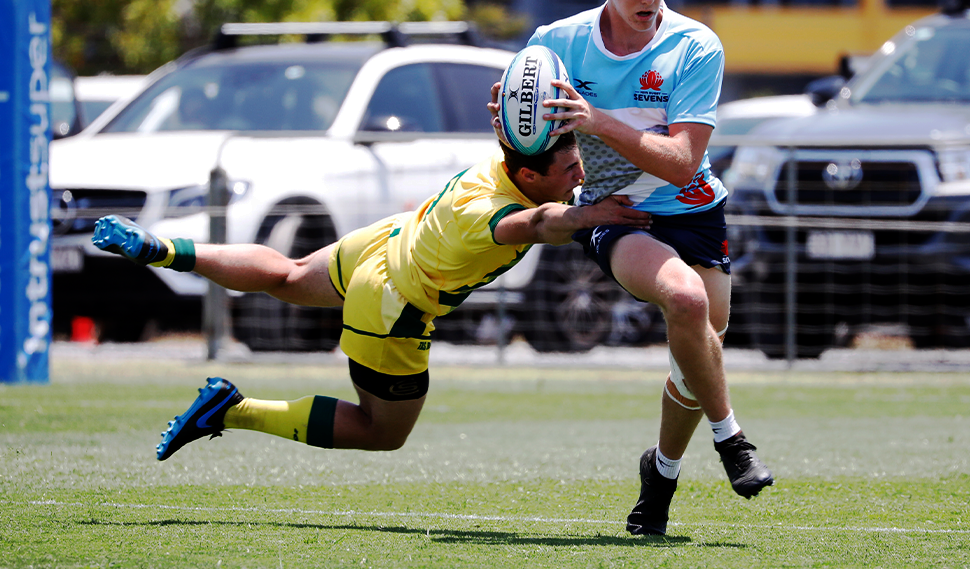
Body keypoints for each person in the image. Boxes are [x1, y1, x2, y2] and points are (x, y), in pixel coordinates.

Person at [91, 131, 650, 461]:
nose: (579, 172)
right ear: (528, 177)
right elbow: (537, 226)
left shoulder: (502, 159)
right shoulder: (496, 214)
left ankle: (160, 247)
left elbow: (522, 143)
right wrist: (588, 214)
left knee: (285, 275)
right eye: (570, 166)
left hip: (384, 245)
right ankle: (233, 410)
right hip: (394, 302)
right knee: (382, 432)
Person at [488, 0, 773, 535]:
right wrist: (514, 119)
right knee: (685, 299)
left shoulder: (695, 45)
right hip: (615, 214)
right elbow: (527, 134)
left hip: (694, 207)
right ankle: (734, 442)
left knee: (695, 355)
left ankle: (661, 476)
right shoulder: (554, 43)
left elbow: (680, 164)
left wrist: (596, 121)